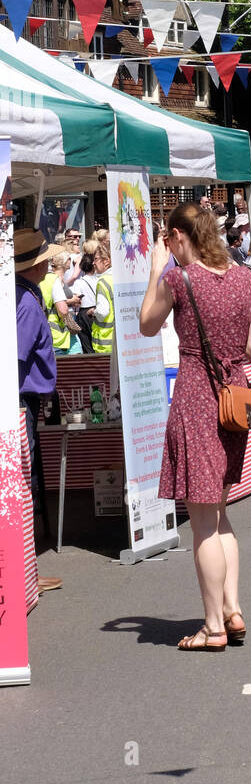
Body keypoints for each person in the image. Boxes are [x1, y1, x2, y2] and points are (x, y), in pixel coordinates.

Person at [139, 203, 251, 651]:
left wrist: (157, 269)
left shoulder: (179, 278)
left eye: (168, 240)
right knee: (221, 511)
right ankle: (232, 608)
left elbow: (147, 324)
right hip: (235, 397)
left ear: (177, 236)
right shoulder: (247, 278)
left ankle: (212, 626)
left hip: (195, 396)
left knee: (202, 523)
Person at [14, 229, 62, 596]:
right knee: (24, 482)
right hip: (21, 401)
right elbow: (17, 357)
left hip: (21, 398)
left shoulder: (24, 295)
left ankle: (27, 572)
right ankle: (25, 573)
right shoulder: (28, 302)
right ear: (36, 265)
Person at [40, 253, 83, 356]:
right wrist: (71, 301)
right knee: (66, 365)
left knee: (76, 356)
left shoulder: (46, 279)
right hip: (59, 331)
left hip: (63, 330)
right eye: (69, 258)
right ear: (65, 262)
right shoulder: (54, 280)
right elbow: (62, 310)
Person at [90, 244, 115, 354]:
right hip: (122, 339)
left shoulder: (103, 281)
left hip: (106, 343)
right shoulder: (120, 277)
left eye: (96, 259)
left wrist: (94, 312)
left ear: (106, 261)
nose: (93, 263)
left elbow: (102, 312)